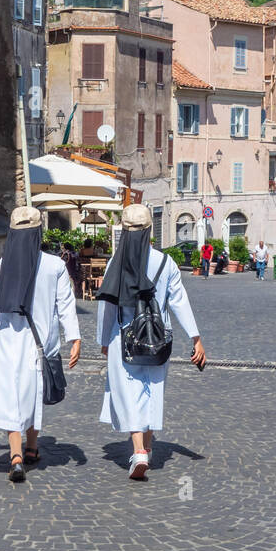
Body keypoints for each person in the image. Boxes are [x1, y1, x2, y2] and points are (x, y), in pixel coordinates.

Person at [97, 203, 206, 480]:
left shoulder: (115, 262)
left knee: (128, 394)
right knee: (151, 392)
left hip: (124, 335)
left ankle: (139, 450)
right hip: (158, 338)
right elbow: (179, 301)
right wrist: (196, 338)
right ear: (149, 231)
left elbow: (107, 306)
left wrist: (103, 339)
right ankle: (146, 446)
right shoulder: (165, 262)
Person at [0, 206, 81, 482]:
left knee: (12, 397)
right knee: (34, 393)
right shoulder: (54, 266)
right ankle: (32, 447)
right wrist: (74, 337)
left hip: (8, 342)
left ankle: (15, 454)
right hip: (41, 342)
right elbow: (65, 305)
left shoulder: (2, 265)